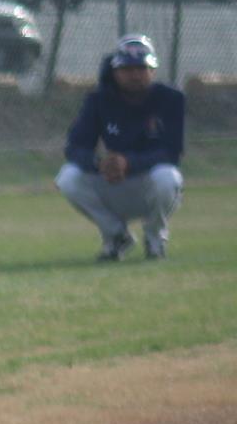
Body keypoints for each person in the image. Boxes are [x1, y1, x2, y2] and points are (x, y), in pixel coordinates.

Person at [56, 33, 185, 261]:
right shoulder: (99, 100)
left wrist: (130, 162)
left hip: (150, 185)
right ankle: (116, 235)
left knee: (168, 177)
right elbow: (74, 147)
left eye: (141, 68)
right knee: (68, 177)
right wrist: (99, 163)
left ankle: (155, 238)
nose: (135, 74)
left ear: (152, 71)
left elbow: (172, 152)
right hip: (114, 182)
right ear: (115, 71)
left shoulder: (171, 99)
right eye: (127, 69)